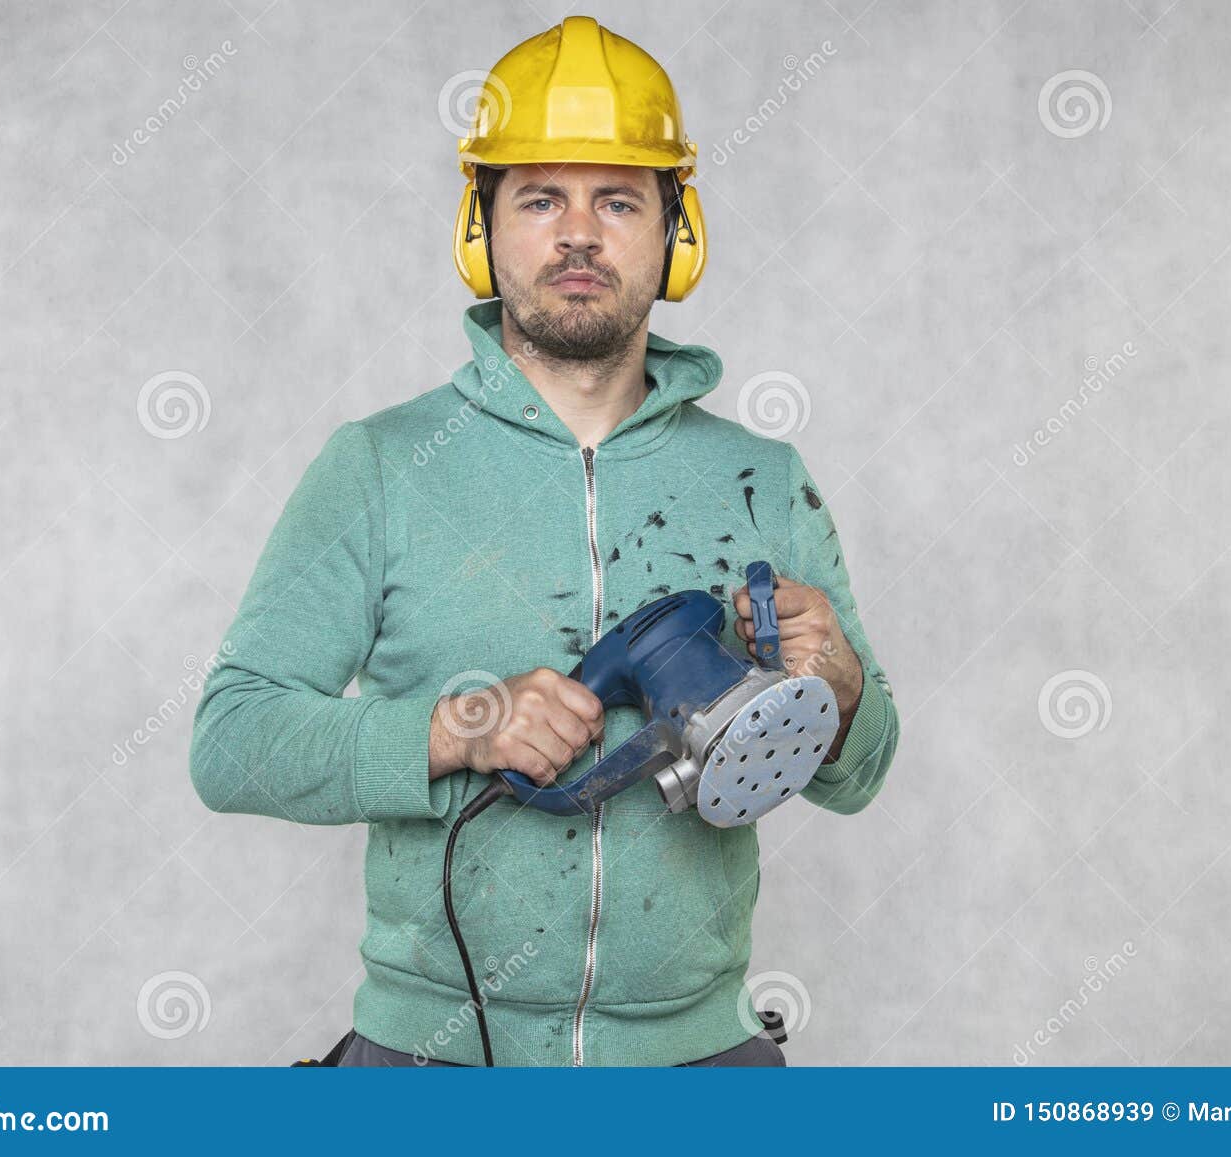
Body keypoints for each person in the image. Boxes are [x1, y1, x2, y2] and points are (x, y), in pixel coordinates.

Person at [189, 14, 898, 1068]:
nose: (579, 234)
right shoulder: (379, 465)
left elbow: (861, 771)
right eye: (539, 199)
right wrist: (458, 727)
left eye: (618, 199)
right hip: (428, 1059)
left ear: (676, 232)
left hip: (701, 1065)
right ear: (481, 231)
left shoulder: (762, 476)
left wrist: (840, 692)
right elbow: (231, 741)